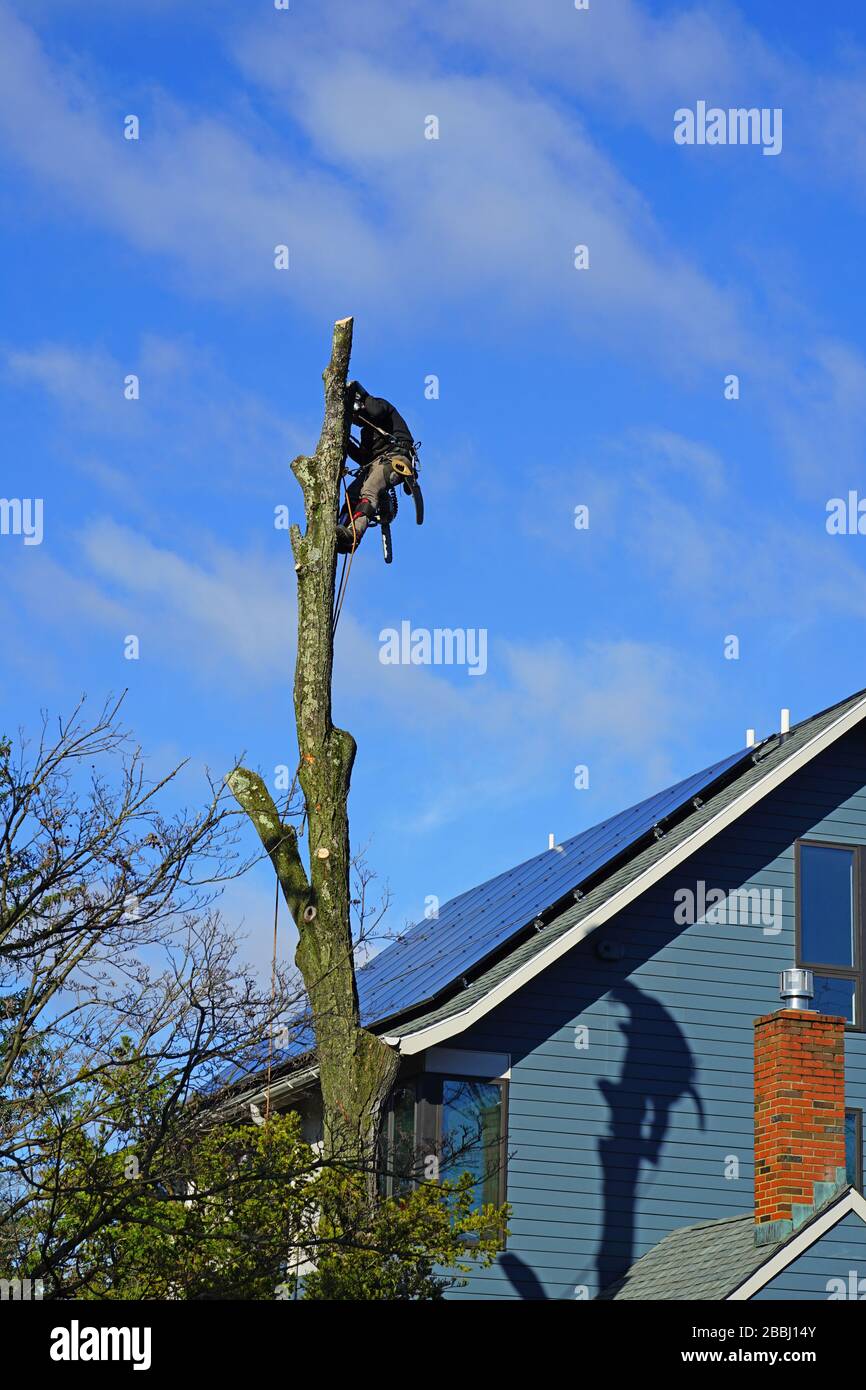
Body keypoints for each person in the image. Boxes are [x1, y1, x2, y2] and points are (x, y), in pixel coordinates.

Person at [336, 381, 417, 553]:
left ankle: (354, 533)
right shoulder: (366, 432)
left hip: (396, 459)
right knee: (352, 493)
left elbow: (377, 412)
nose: (356, 422)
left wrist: (361, 392)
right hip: (375, 466)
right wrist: (346, 443)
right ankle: (339, 529)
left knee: (370, 488)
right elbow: (363, 458)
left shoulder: (379, 405)